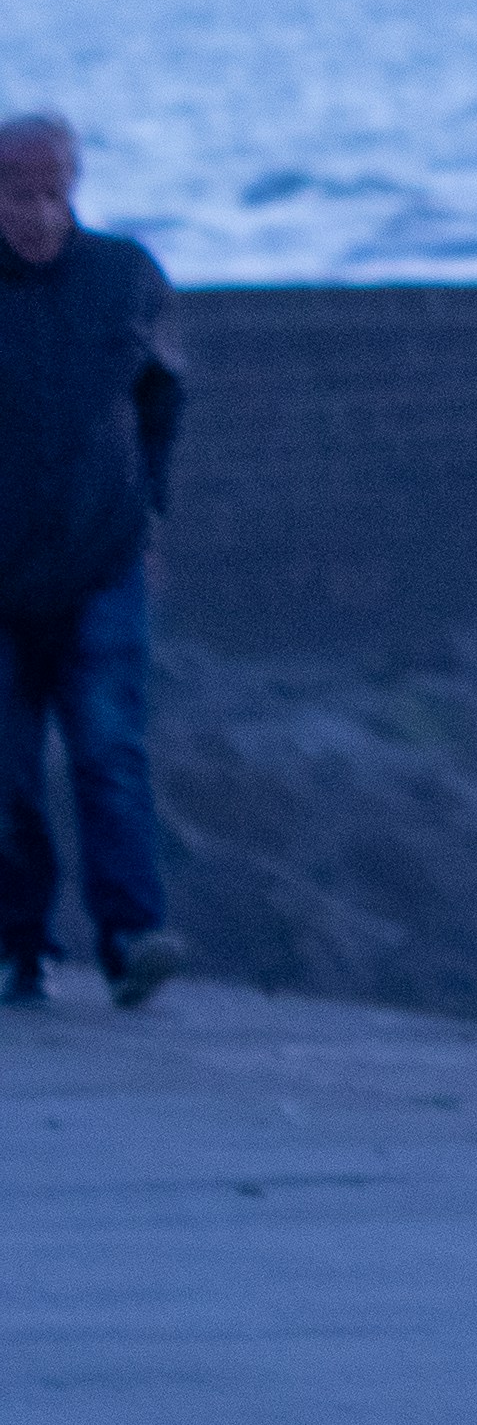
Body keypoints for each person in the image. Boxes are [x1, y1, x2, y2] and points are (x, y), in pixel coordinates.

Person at [0, 108, 188, 1009]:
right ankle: (18, 945)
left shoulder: (124, 277)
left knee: (109, 747)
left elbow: (162, 401)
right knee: (5, 769)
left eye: (52, 192)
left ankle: (132, 936)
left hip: (100, 556)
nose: (37, 214)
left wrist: (149, 512)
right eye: (16, 193)